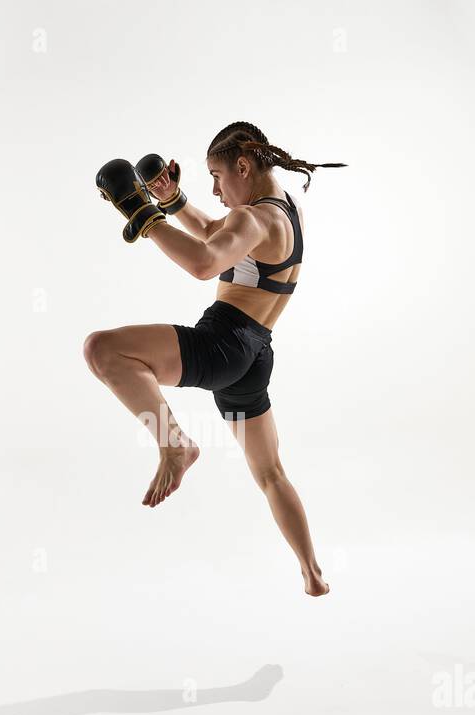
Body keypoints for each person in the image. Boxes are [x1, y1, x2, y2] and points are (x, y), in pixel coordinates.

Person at [86, 121, 345, 596]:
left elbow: (205, 263)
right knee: (270, 474)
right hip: (256, 354)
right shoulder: (286, 212)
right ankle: (312, 573)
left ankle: (175, 445)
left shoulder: (253, 220)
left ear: (243, 167)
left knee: (103, 349)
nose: (215, 190)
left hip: (223, 342)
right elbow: (212, 234)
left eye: (217, 177)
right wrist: (173, 202)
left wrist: (141, 212)